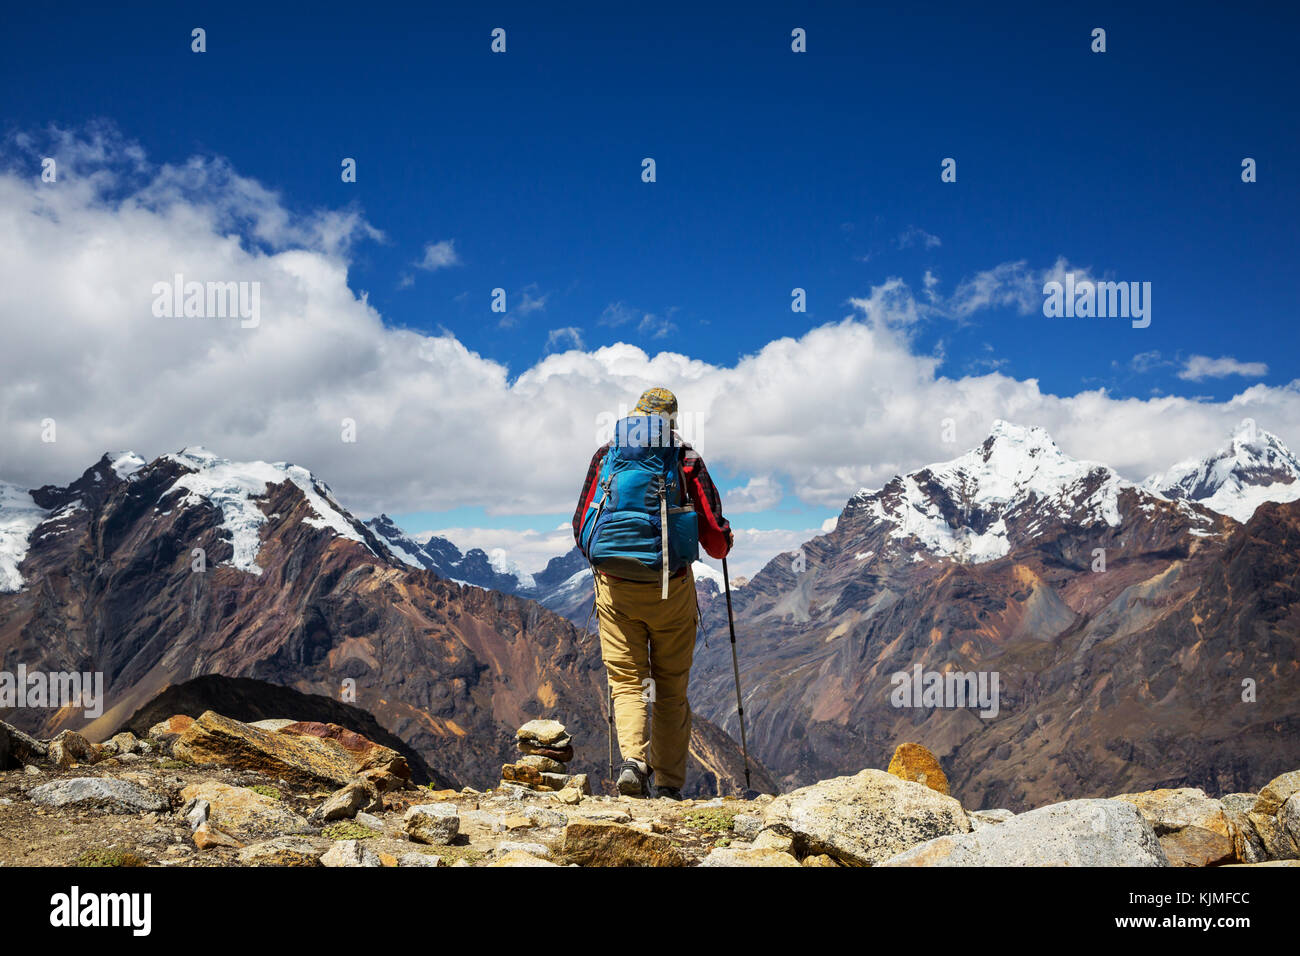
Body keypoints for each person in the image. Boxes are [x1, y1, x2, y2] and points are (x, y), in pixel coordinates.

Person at [572, 387, 733, 799]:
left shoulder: (607, 455)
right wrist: (725, 537)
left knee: (628, 681)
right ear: (671, 421)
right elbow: (715, 541)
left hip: (616, 591)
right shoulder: (686, 459)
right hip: (670, 591)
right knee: (669, 686)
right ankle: (667, 785)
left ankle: (633, 763)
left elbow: (581, 525)